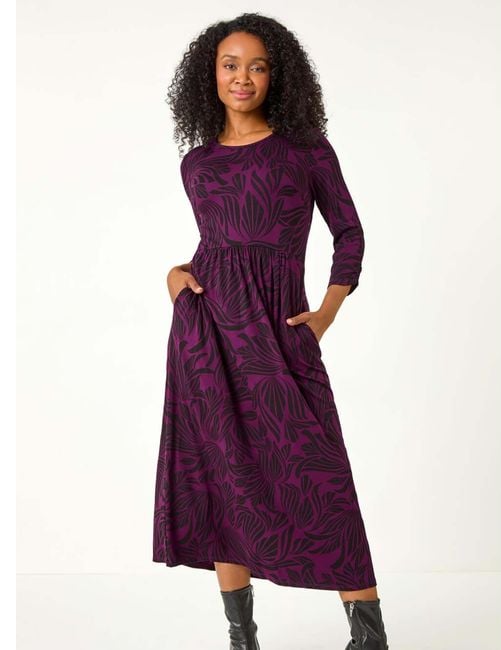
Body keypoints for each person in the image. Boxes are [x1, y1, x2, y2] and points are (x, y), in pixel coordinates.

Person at [153, 12, 390, 650]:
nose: (242, 77)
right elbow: (215, 248)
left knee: (322, 477)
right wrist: (174, 276)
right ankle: (242, 638)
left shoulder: (305, 149)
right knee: (221, 480)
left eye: (256, 66)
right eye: (230, 65)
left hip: (280, 337)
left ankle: (369, 639)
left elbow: (349, 233)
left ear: (276, 76)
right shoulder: (197, 163)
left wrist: (327, 312)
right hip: (206, 339)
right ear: (210, 74)